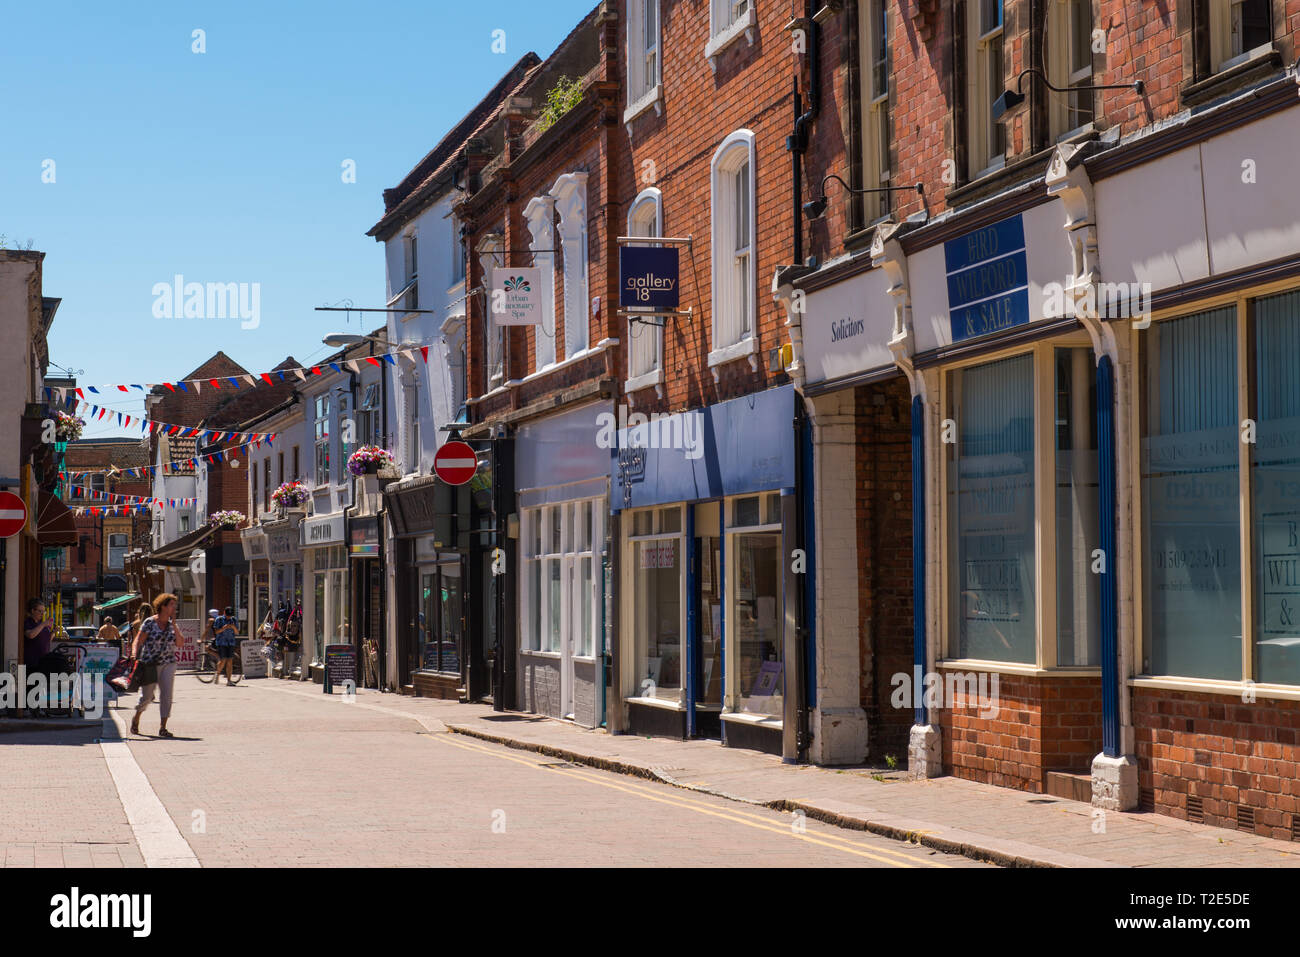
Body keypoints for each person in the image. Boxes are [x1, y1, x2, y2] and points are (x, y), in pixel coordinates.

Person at [129, 593, 180, 738]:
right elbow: (138, 640)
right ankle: (137, 717)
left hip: (168, 663)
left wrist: (175, 625)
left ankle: (163, 727)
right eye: (171, 605)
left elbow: (180, 643)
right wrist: (134, 654)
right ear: (163, 606)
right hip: (150, 664)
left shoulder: (171, 625)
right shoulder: (149, 623)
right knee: (147, 696)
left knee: (167, 695)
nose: (174, 608)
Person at [213, 606, 239, 685]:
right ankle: (217, 674)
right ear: (224, 613)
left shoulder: (234, 620)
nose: (229, 617)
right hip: (221, 643)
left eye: (230, 615)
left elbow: (237, 632)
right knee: (223, 660)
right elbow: (216, 631)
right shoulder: (219, 619)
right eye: (227, 615)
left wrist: (233, 627)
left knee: (230, 661)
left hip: (231, 642)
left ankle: (229, 680)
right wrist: (224, 628)